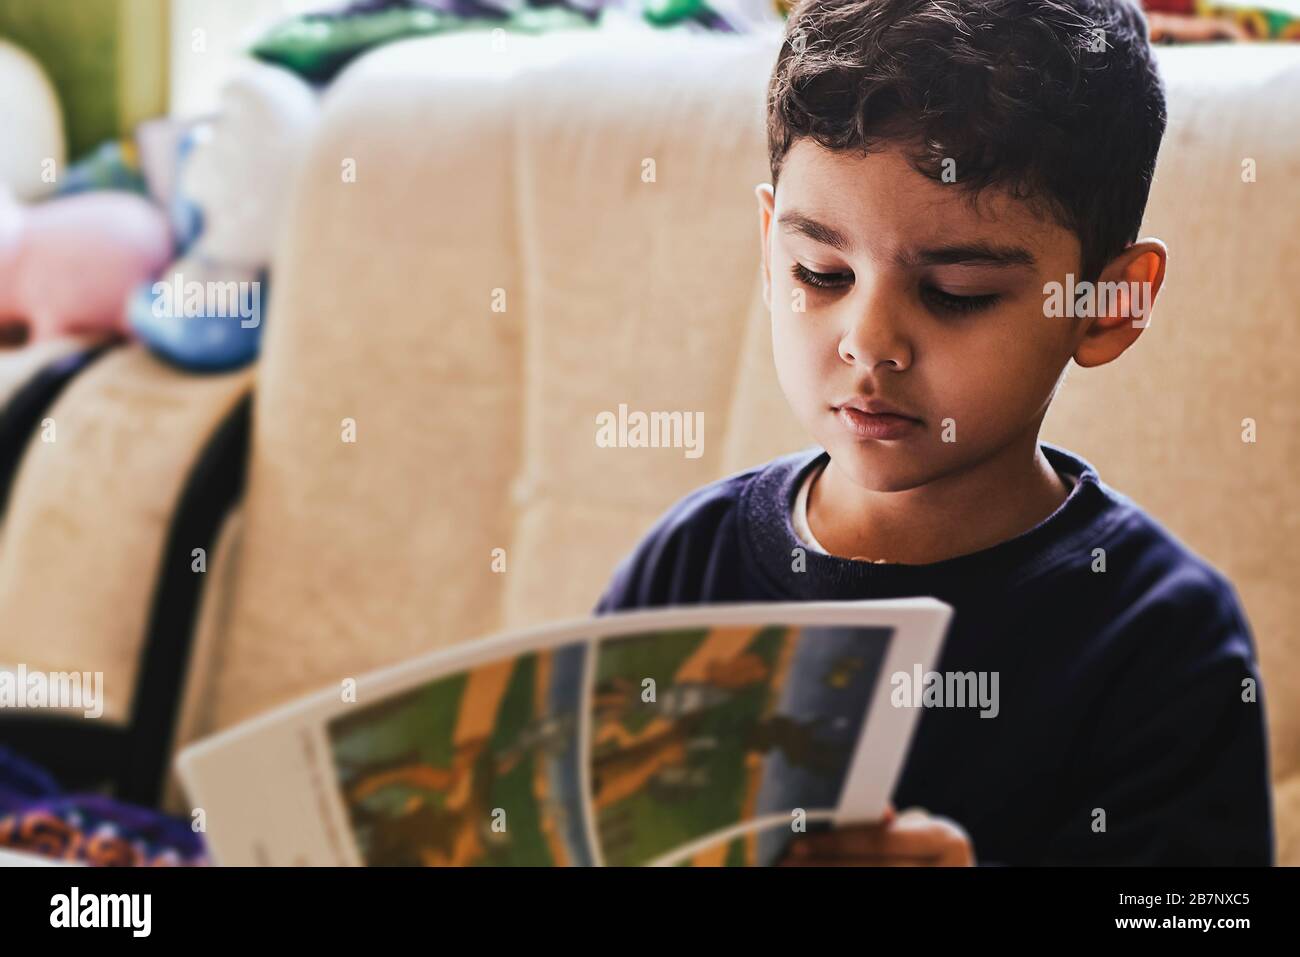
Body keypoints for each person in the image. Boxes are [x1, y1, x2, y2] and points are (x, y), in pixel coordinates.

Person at [592, 0, 1274, 865]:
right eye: (821, 272)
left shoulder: (1159, 637)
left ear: (1109, 304)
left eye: (956, 290)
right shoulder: (688, 565)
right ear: (771, 249)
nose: (868, 340)